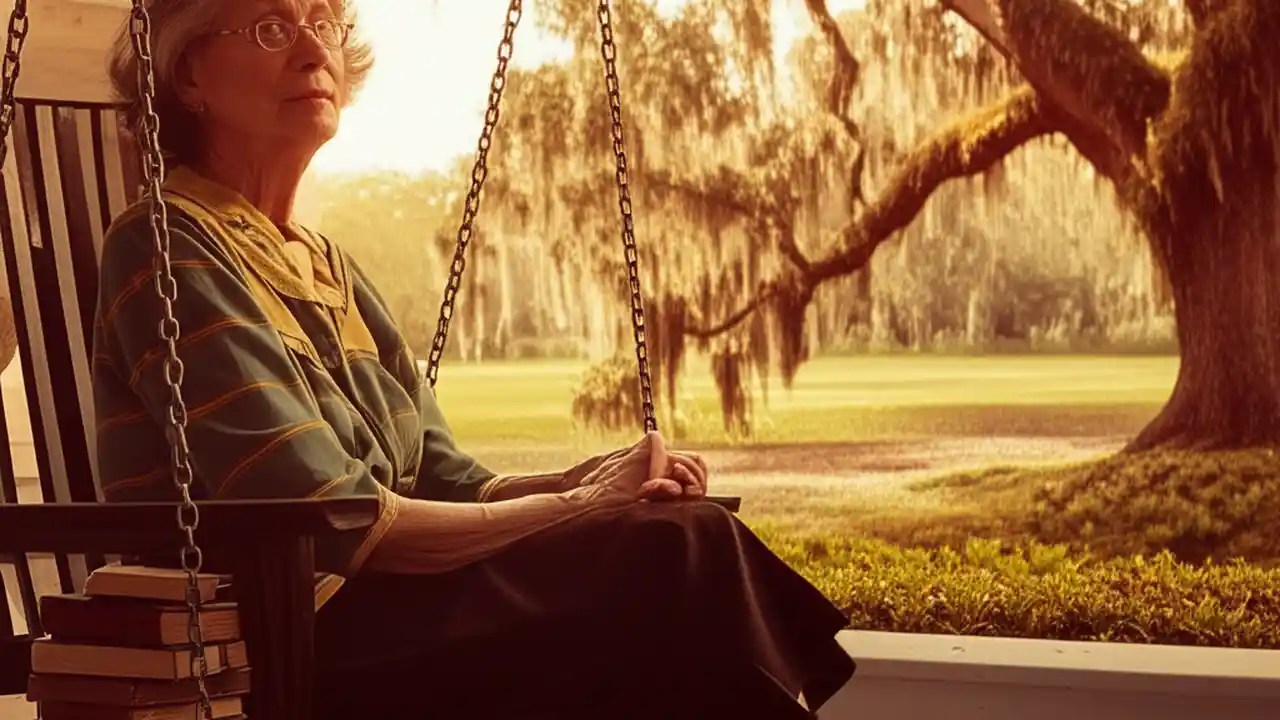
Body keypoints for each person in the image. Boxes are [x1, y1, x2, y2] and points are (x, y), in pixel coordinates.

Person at [94, 1, 855, 717]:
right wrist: (576, 511)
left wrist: (586, 479)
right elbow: (337, 519)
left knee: (677, 536)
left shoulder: (326, 265)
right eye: (269, 27)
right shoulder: (167, 246)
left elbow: (445, 478)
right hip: (285, 641)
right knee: (669, 555)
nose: (312, 49)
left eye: (322, 21)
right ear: (186, 72)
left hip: (391, 612)